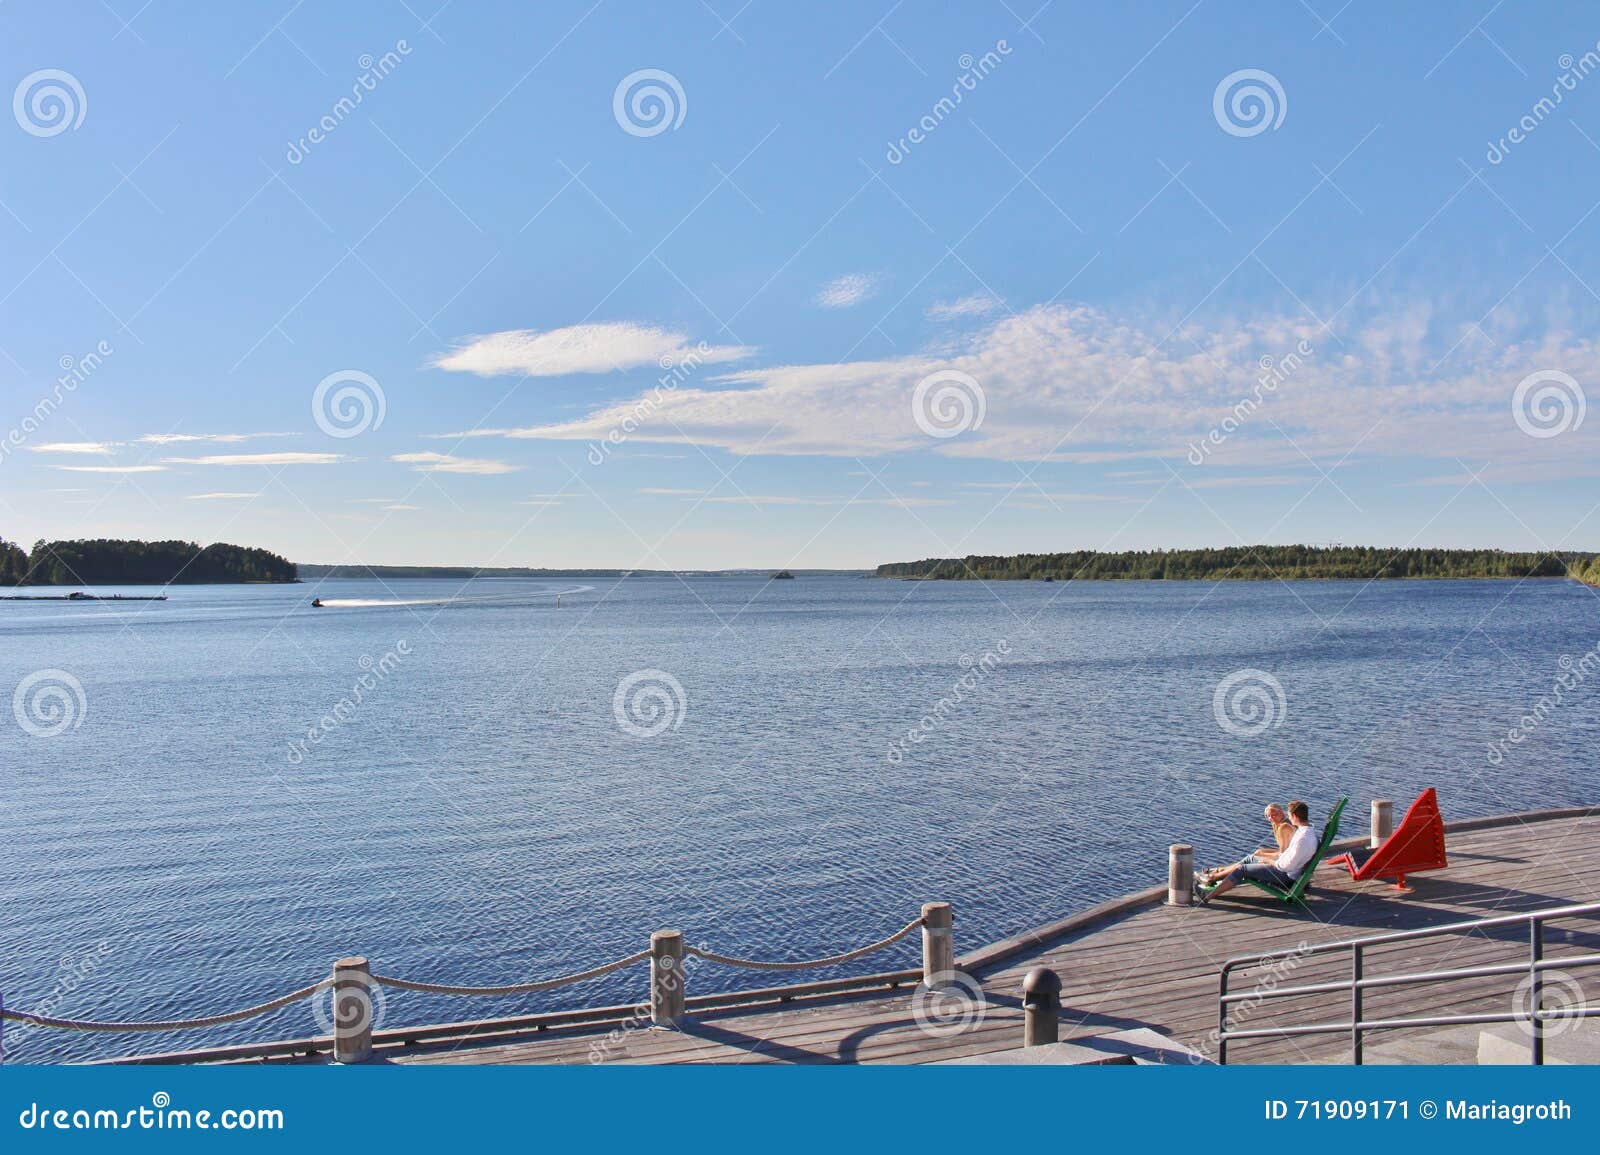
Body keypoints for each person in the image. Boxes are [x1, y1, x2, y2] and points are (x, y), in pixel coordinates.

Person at [1195, 800, 1318, 904]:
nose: (1289, 818)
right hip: (1287, 869)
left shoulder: (1302, 839)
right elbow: (1287, 856)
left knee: (1242, 870)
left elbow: (1285, 865)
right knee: (1250, 859)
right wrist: (1266, 858)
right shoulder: (1308, 832)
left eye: (1290, 815)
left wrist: (1268, 861)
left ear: (1295, 816)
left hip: (1285, 876)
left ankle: (1208, 895)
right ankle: (1213, 876)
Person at [1197, 804, 1292, 886]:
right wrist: (1261, 852)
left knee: (1249, 860)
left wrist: (1263, 856)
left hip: (1284, 868)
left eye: (1274, 815)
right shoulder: (1280, 824)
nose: (1271, 818)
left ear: (1281, 813)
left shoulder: (1283, 827)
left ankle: (1214, 876)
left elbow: (1283, 853)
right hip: (1286, 861)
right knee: (1255, 854)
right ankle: (1220, 871)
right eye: (1268, 816)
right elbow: (1286, 849)